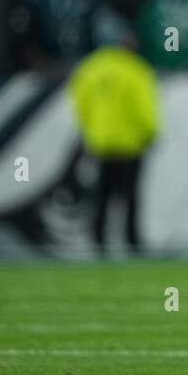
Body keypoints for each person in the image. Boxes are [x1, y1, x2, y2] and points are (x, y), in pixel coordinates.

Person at [66, 35, 159, 251]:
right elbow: (143, 105)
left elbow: (78, 100)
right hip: (130, 144)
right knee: (129, 196)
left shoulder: (91, 67)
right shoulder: (135, 69)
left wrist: (90, 129)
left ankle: (98, 239)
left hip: (101, 143)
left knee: (102, 194)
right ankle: (132, 241)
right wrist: (150, 131)